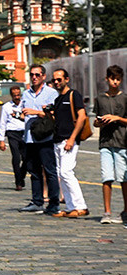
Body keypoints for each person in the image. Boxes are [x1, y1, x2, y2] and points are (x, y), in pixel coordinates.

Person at [18, 65, 60, 214]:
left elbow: (54, 114)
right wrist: (20, 114)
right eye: (32, 75)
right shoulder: (26, 94)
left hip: (45, 137)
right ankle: (37, 201)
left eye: (37, 75)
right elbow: (24, 113)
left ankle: (54, 203)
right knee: (34, 171)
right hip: (29, 137)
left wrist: (36, 112)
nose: (34, 77)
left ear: (43, 76)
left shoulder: (51, 93)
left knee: (50, 171)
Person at [48, 67, 88, 218]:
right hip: (57, 140)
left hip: (68, 140)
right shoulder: (57, 99)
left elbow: (82, 116)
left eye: (59, 79)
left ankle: (81, 206)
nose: (57, 82)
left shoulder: (73, 95)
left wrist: (72, 138)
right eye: (54, 80)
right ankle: (71, 207)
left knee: (66, 172)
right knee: (61, 174)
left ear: (67, 79)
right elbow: (58, 120)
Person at [94, 65, 127, 226]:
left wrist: (117, 118)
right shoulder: (100, 98)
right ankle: (107, 212)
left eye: (118, 79)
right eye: (112, 79)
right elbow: (95, 120)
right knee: (106, 177)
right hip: (105, 143)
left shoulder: (125, 98)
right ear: (107, 79)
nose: (115, 82)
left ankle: (126, 211)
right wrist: (99, 122)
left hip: (122, 143)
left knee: (124, 178)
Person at [0, 85, 27, 191]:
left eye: (18, 95)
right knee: (16, 157)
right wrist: (1, 140)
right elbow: (2, 123)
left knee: (26, 158)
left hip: (24, 133)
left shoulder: (25, 104)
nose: (17, 97)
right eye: (14, 95)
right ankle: (18, 181)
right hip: (12, 133)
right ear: (11, 95)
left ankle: (22, 176)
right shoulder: (7, 107)